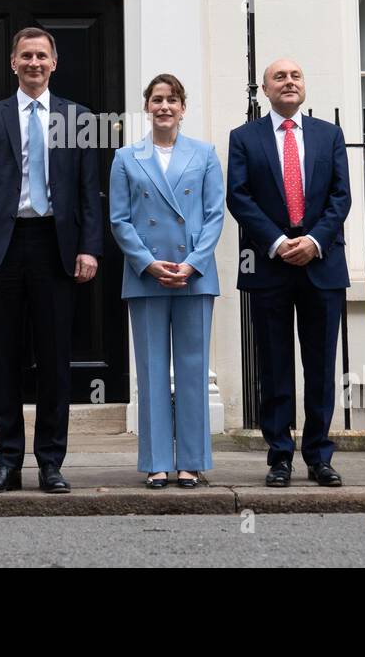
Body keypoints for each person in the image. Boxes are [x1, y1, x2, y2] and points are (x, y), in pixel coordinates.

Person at [0, 27, 102, 494]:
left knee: (55, 359)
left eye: (42, 55)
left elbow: (88, 191)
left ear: (54, 63)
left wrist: (89, 246)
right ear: (12, 62)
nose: (34, 63)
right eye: (26, 56)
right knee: (2, 359)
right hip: (4, 245)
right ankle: (6, 462)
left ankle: (50, 463)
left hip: (56, 246)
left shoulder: (76, 117)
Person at [227, 58, 351, 487]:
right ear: (265, 89)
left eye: (296, 75)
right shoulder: (244, 138)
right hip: (270, 267)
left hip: (322, 263)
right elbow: (239, 198)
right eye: (279, 77)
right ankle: (279, 455)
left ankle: (319, 456)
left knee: (320, 367)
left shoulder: (328, 135)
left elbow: (341, 197)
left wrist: (314, 241)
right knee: (274, 367)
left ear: (304, 85)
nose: (289, 82)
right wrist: (279, 244)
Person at [109, 74, 223, 488]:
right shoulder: (126, 157)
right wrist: (148, 263)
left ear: (183, 108)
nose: (164, 107)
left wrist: (193, 263)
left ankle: (191, 461)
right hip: (147, 276)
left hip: (194, 276)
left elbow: (214, 215)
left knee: (192, 369)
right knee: (152, 370)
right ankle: (157, 461)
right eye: (157, 100)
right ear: (147, 106)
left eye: (172, 100)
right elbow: (119, 219)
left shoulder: (205, 154)